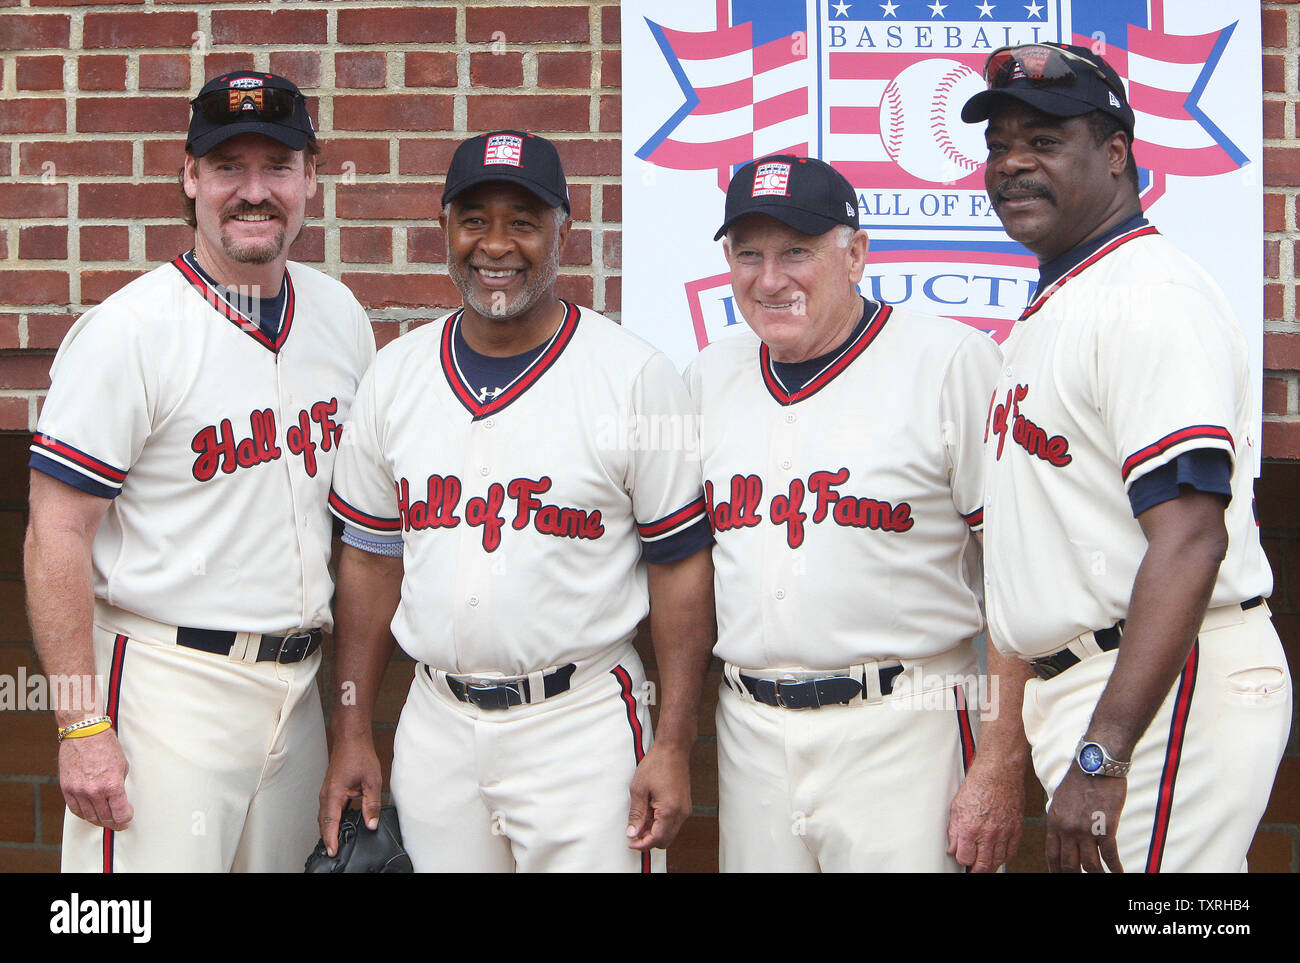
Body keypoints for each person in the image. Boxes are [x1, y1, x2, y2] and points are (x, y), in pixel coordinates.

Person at [319, 130, 715, 872]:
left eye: (523, 222)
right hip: (436, 721)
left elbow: (680, 568)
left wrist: (673, 740)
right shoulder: (395, 374)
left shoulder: (633, 376)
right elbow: (371, 562)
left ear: (564, 232)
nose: (495, 244)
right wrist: (350, 729)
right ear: (445, 230)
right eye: (474, 220)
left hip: (581, 720)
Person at [24, 70, 377, 872]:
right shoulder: (127, 331)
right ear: (190, 178)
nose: (254, 192)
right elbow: (56, 533)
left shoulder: (341, 317)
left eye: (277, 167)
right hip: (162, 686)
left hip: (299, 693)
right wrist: (80, 724)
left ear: (310, 179)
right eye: (227, 168)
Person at [962, 43, 1292, 872]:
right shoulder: (1070, 299)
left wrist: (1105, 753)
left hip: (1162, 685)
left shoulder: (1150, 297)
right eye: (1000, 145)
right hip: (1106, 684)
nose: (1012, 164)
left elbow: (1191, 538)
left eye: (1043, 141)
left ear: (1115, 154)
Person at [686, 154, 1034, 872]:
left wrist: (1000, 761)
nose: (770, 277)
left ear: (856, 254)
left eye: (797, 251)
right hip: (751, 735)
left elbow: (1017, 572)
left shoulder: (950, 363)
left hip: (905, 727)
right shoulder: (706, 378)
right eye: (748, 253)